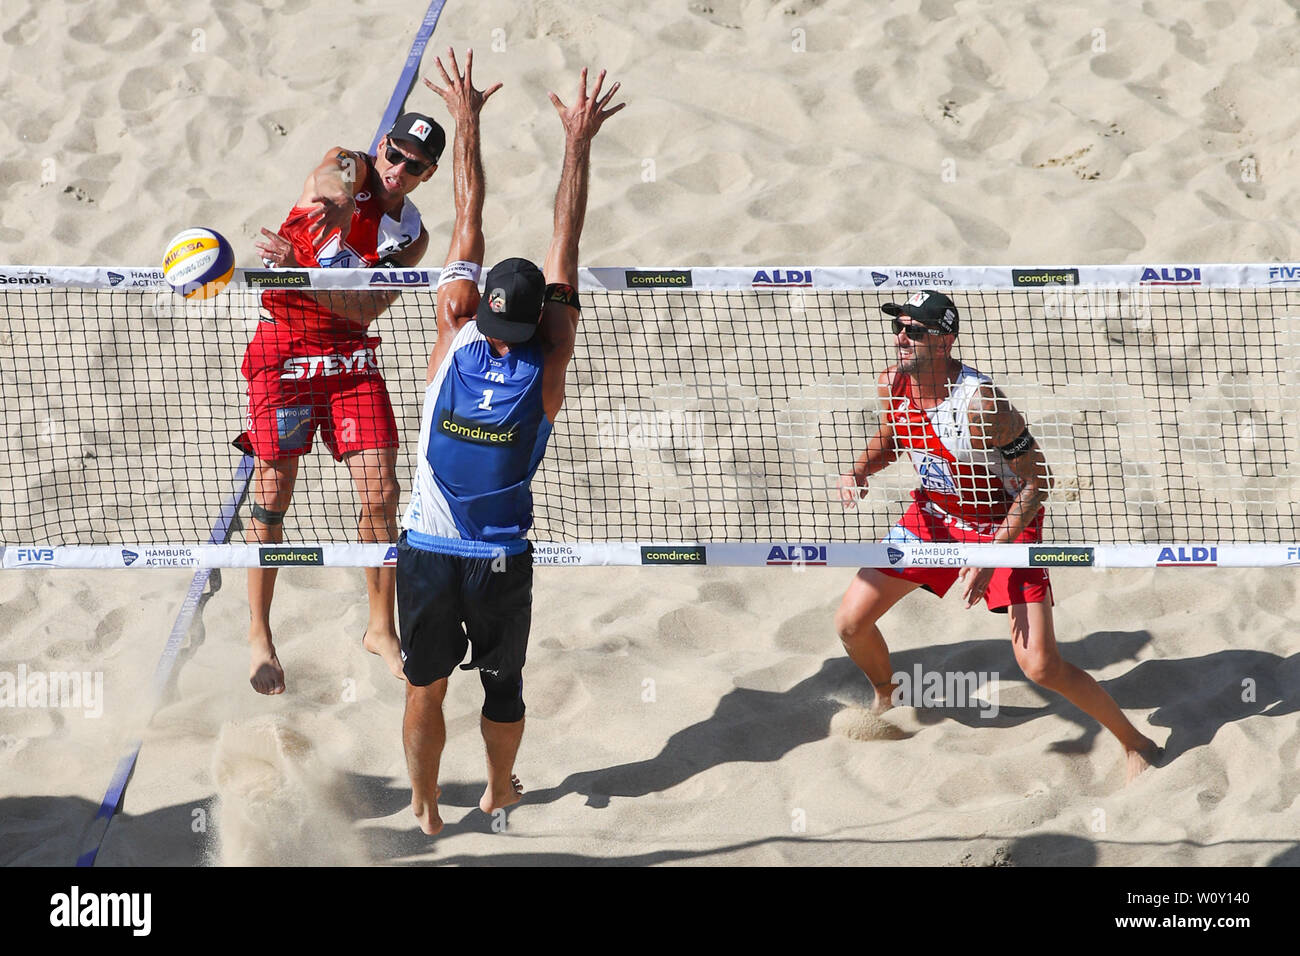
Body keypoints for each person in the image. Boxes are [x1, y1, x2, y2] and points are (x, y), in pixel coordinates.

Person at [398, 50, 623, 835]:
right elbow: (565, 233)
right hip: (491, 558)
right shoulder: (549, 352)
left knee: (428, 688)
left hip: (431, 551)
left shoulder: (456, 324)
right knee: (500, 687)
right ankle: (493, 791)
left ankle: (434, 807)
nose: (495, 338)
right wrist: (577, 143)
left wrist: (467, 122)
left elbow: (470, 218)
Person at [834, 290, 1162, 784]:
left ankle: (1136, 742)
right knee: (851, 624)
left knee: (1041, 667)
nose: (901, 338)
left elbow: (1038, 483)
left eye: (914, 331)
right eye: (898, 328)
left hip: (1004, 523)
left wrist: (990, 553)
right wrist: (860, 469)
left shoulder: (983, 404)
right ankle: (888, 692)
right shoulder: (892, 383)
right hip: (937, 517)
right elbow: (892, 437)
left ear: (943, 341)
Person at [239, 104, 446, 694]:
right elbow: (332, 177)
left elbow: (362, 309)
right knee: (273, 492)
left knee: (383, 492)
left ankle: (381, 629)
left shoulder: (411, 237)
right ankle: (259, 634)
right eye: (396, 154)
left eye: (415, 166)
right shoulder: (349, 166)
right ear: (383, 145)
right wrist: (330, 202)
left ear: (428, 174)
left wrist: (305, 269)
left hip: (351, 357)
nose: (399, 170)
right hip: (285, 349)